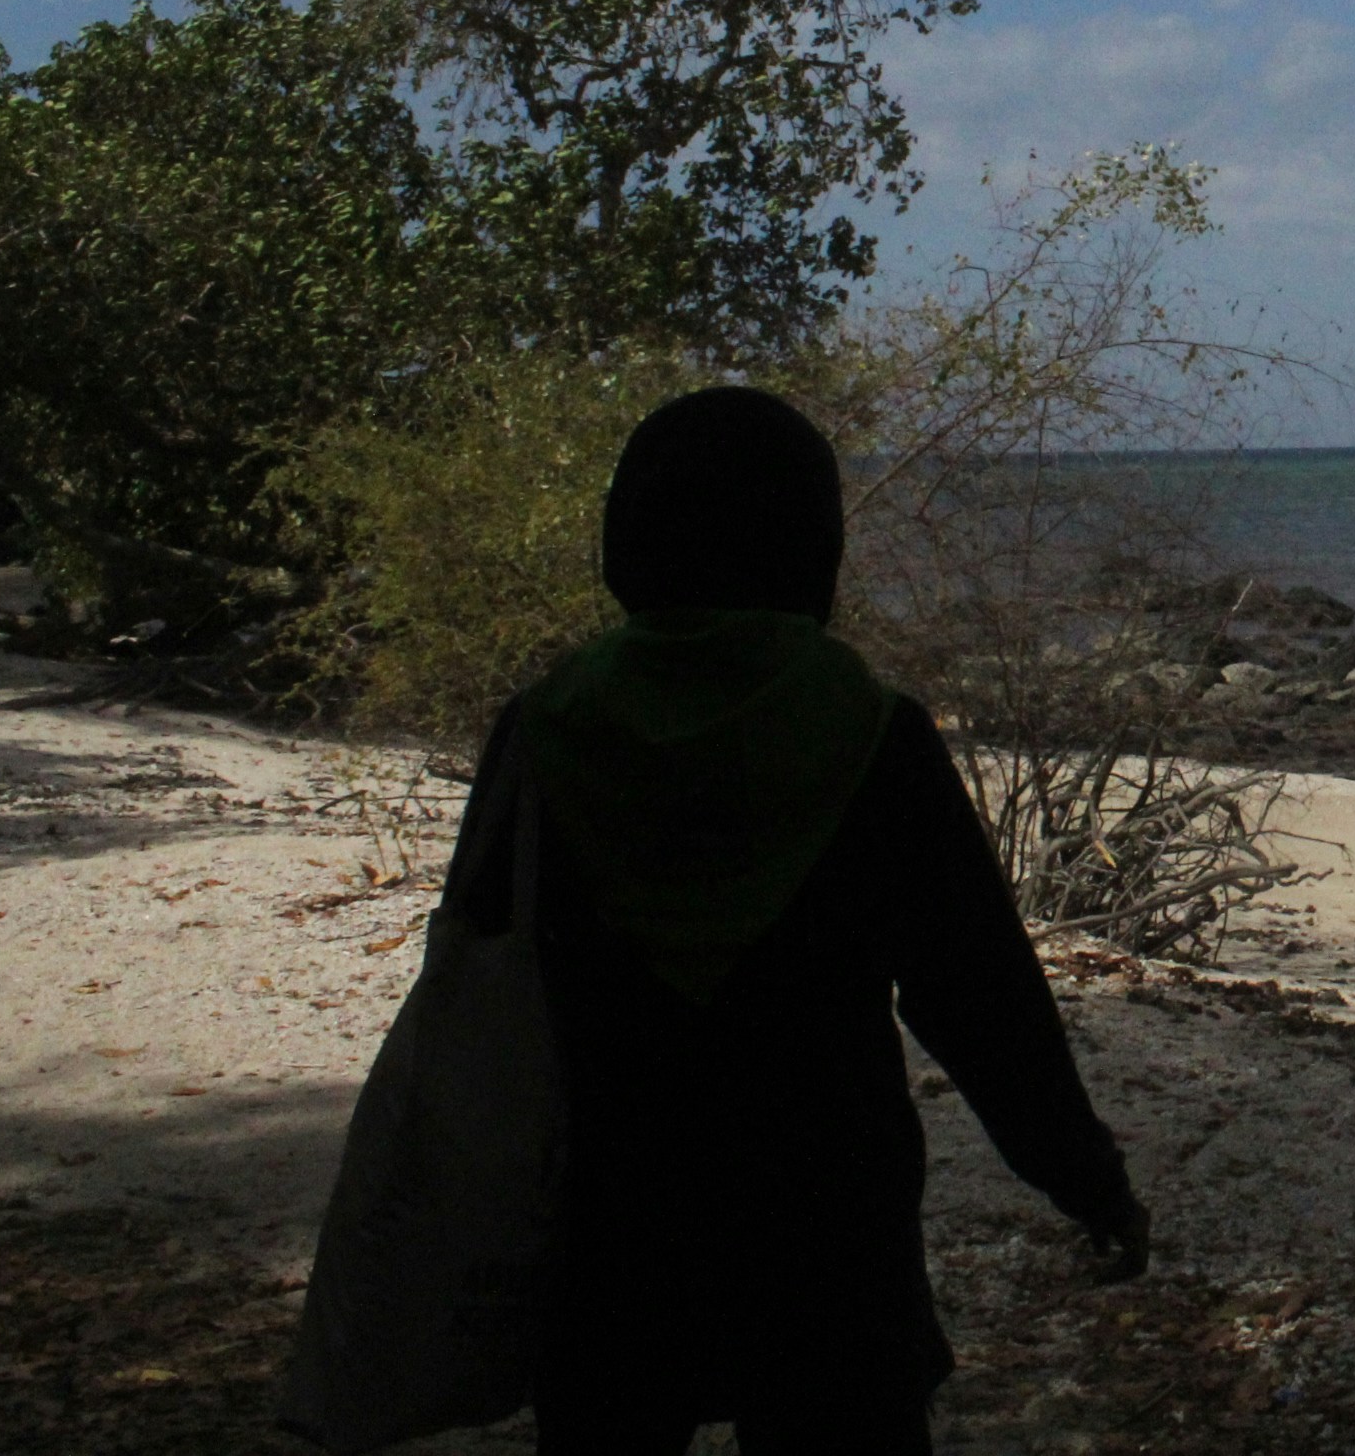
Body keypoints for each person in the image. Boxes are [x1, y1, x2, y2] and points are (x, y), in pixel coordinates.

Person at [437, 385, 1148, 1455]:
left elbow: (469, 986)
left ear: (624, 542)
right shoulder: (869, 734)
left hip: (610, 1218)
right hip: (826, 1226)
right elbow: (978, 997)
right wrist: (1082, 1175)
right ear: (813, 549)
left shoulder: (544, 734)